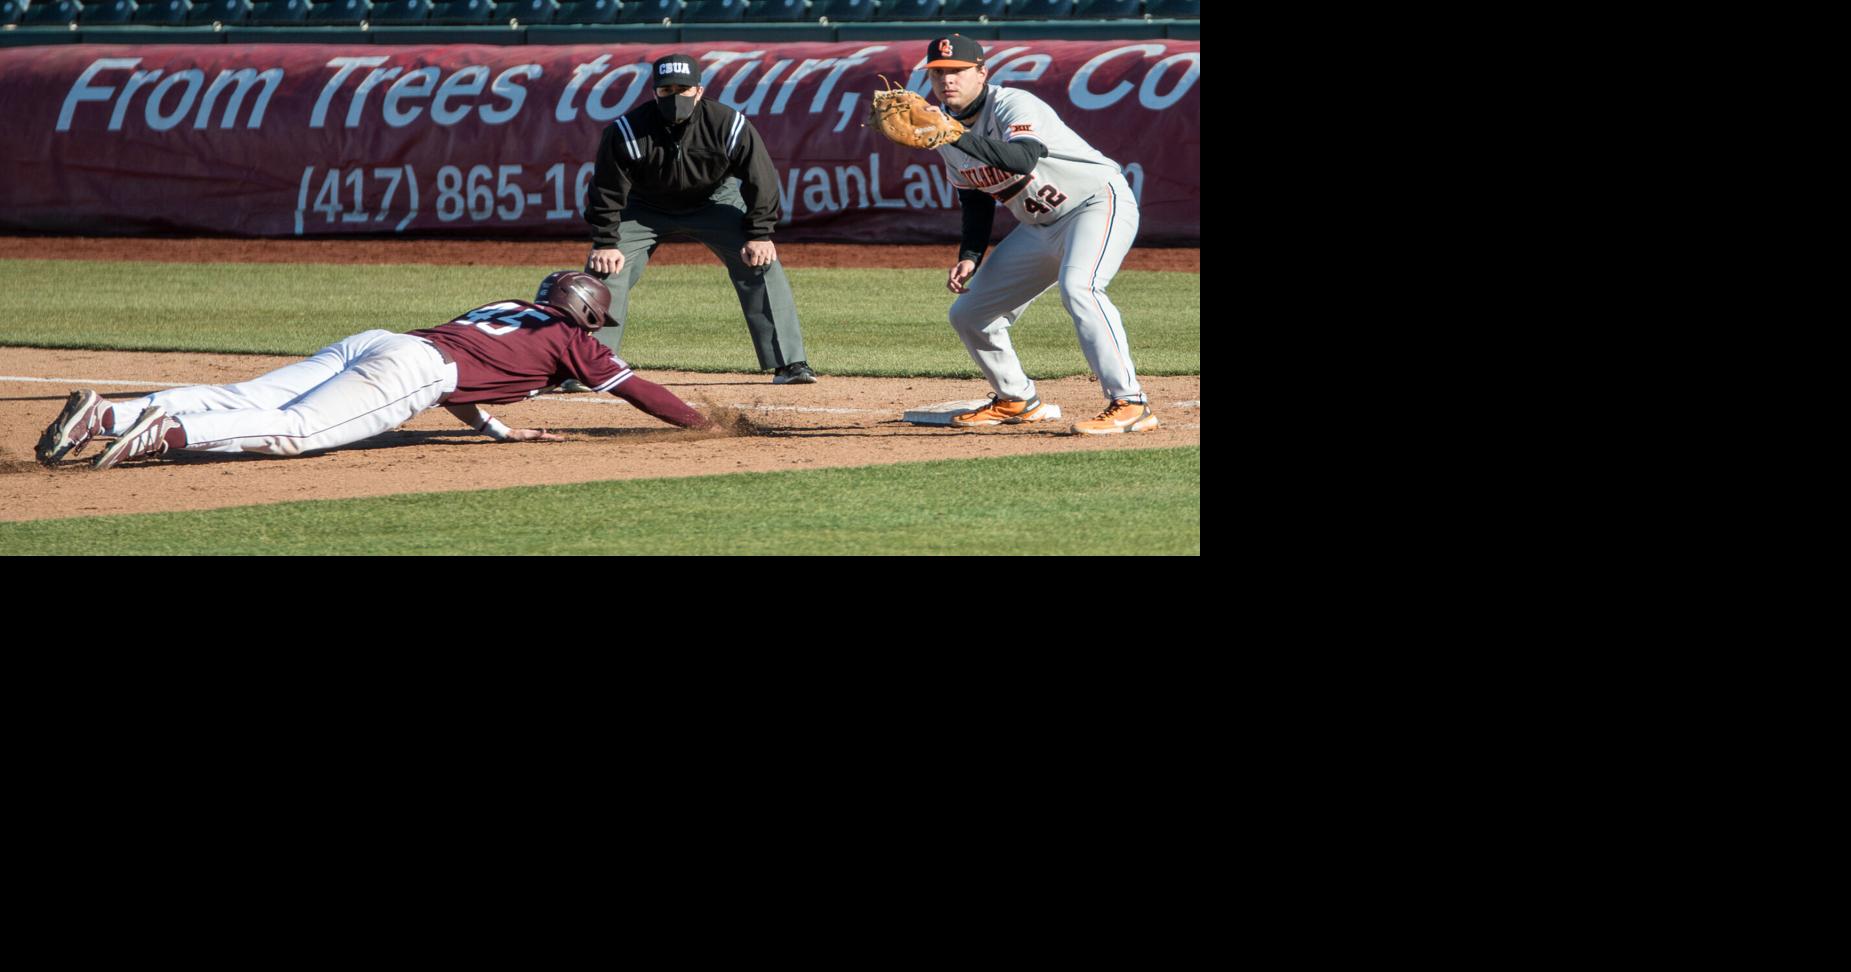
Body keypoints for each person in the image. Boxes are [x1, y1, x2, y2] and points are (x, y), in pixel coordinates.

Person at [36, 272, 710, 470]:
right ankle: (162, 433)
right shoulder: (574, 341)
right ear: (588, 316)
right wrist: (705, 424)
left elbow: (472, 373)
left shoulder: (510, 307)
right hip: (415, 367)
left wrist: (499, 430)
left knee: (244, 393)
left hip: (380, 343)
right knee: (294, 431)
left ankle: (110, 413)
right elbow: (642, 391)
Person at [916, 35, 1159, 435]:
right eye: (939, 73)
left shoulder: (1013, 103)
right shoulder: (944, 129)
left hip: (1095, 203)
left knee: (1080, 287)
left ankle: (1130, 402)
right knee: (971, 314)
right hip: (1038, 227)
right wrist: (971, 255)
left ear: (982, 73)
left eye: (957, 71)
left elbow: (1023, 156)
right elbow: (975, 198)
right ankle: (1016, 399)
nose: (947, 81)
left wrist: (952, 133)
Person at [583, 52, 815, 385]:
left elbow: (760, 178)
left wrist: (760, 233)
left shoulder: (728, 124)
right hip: (645, 207)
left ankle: (790, 363)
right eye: (666, 90)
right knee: (604, 269)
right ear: (654, 93)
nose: (675, 96)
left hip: (714, 201)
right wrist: (605, 241)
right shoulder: (627, 130)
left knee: (759, 262)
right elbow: (606, 189)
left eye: (683, 88)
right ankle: (589, 363)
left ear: (699, 90)